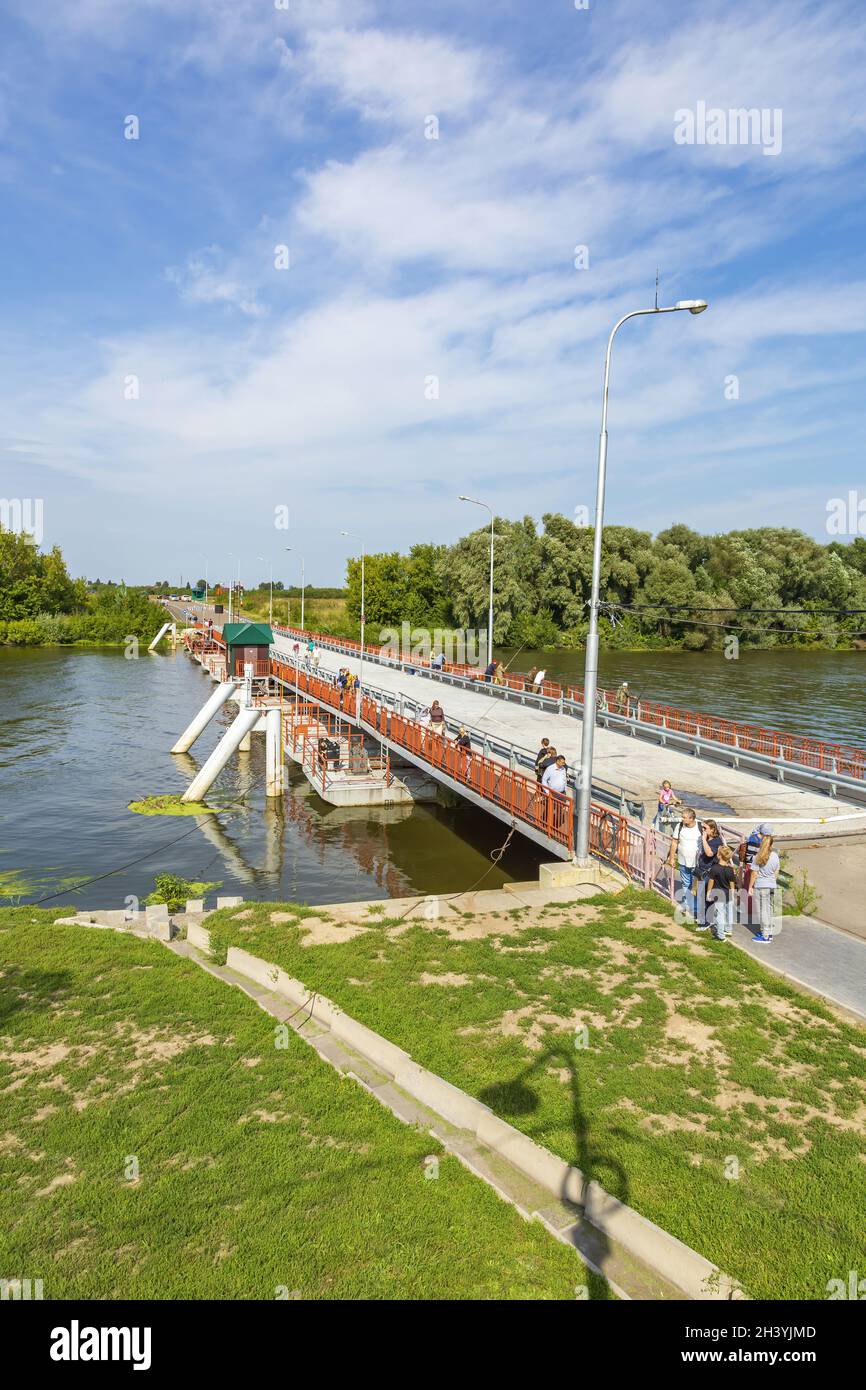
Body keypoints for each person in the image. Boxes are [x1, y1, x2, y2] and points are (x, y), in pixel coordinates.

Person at [668, 807, 700, 922]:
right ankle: (687, 905)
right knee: (686, 883)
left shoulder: (700, 827)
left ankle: (695, 909)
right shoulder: (679, 826)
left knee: (695, 886)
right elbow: (674, 842)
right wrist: (672, 858)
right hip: (682, 861)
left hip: (697, 864)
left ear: (692, 819)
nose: (682, 819)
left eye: (684, 817)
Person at [694, 819, 723, 930]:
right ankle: (704, 918)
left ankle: (706, 922)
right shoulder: (707, 838)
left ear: (713, 829)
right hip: (701, 870)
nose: (703, 830)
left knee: (706, 897)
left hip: (708, 873)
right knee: (701, 896)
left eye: (705, 828)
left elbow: (709, 853)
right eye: (702, 828)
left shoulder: (717, 841)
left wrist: (704, 840)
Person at [706, 845, 739, 941]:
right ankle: (728, 929)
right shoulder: (730, 870)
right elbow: (732, 883)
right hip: (728, 893)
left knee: (719, 914)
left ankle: (720, 936)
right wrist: (733, 894)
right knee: (729, 912)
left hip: (718, 894)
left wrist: (708, 893)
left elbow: (711, 882)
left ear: (719, 855)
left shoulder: (714, 868)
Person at [752, 835, 780, 943]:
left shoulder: (758, 857)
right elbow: (776, 871)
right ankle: (769, 932)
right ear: (772, 844)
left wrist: (750, 887)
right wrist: (773, 881)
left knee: (762, 911)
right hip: (771, 885)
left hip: (761, 886)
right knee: (769, 910)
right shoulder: (775, 856)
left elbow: (754, 874)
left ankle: (765, 935)